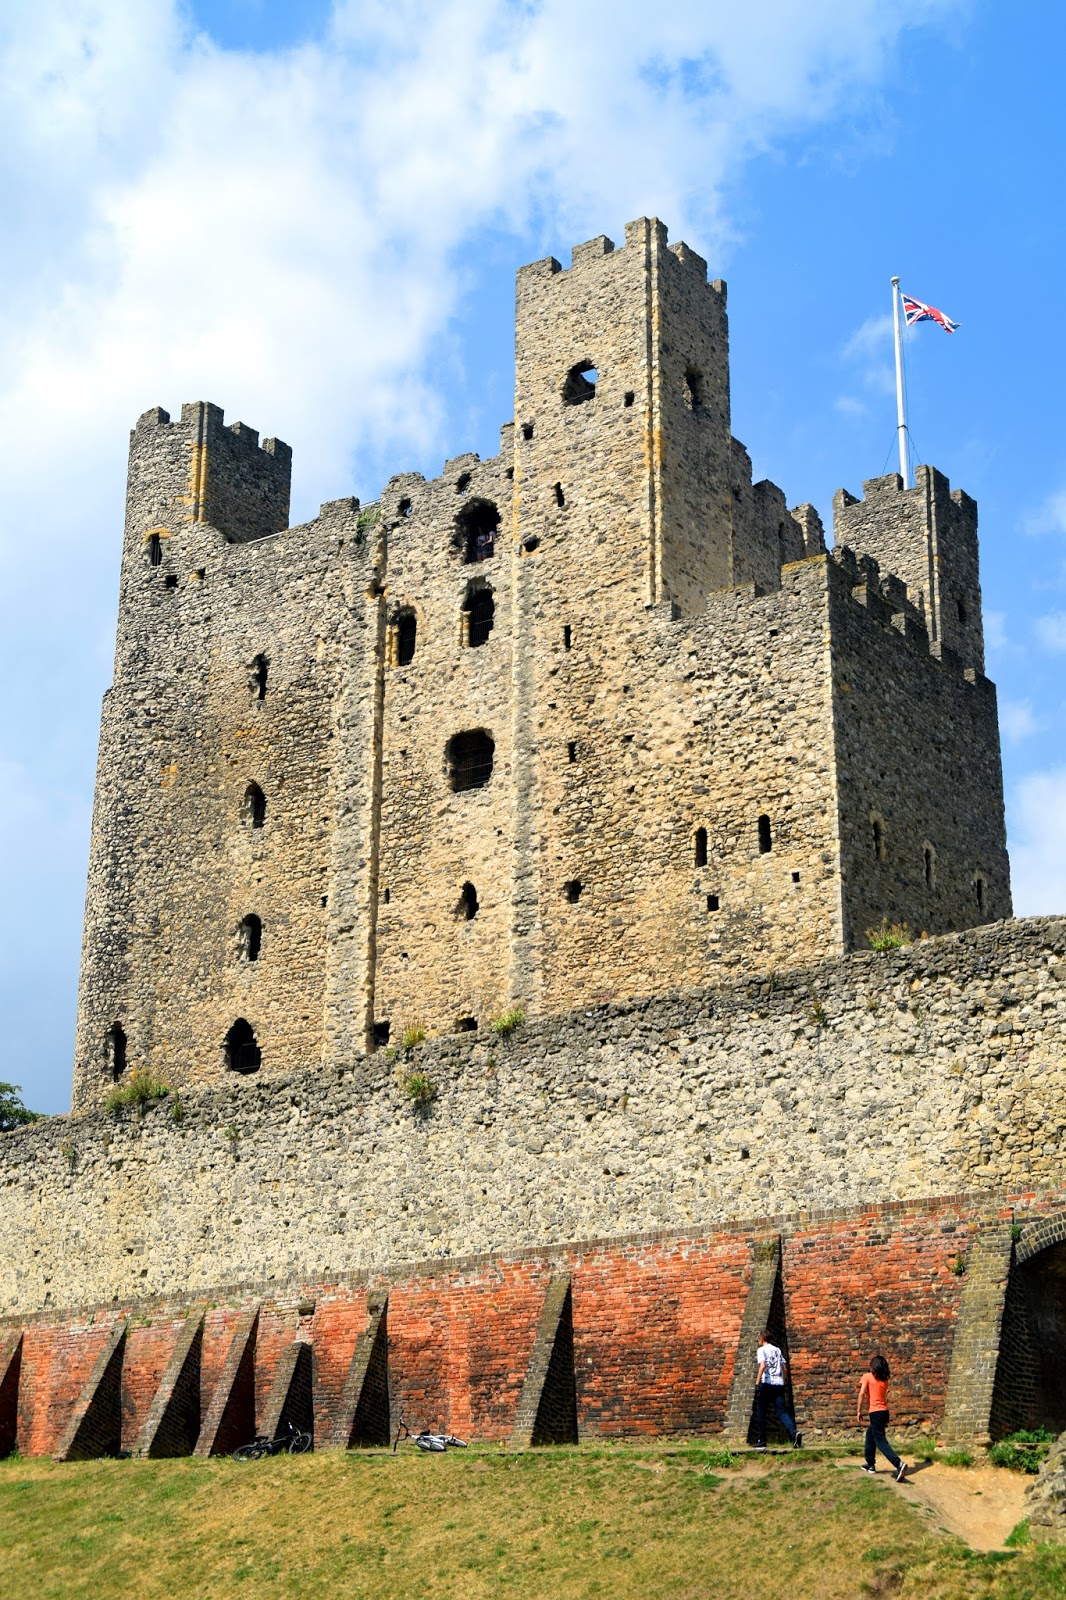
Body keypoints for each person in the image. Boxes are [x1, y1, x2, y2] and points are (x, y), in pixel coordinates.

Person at [857, 1354, 908, 1481]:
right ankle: (870, 1464)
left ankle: (898, 1463)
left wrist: (859, 1411)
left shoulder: (867, 1376)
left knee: (880, 1440)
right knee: (870, 1434)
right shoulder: (885, 1380)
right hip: (884, 1412)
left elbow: (862, 1393)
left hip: (876, 1413)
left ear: (873, 1366)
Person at [754, 1330, 801, 1450]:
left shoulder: (761, 1350)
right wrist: (783, 1381)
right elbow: (784, 1368)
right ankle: (794, 1432)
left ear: (762, 1339)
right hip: (778, 1384)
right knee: (782, 1411)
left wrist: (757, 1382)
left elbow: (762, 1366)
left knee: (761, 1411)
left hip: (767, 1383)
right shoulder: (777, 1350)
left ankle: (761, 1440)